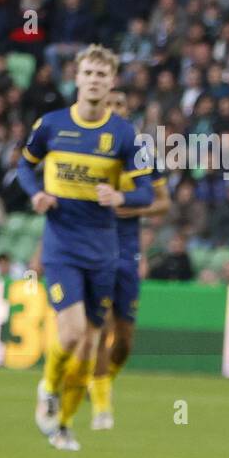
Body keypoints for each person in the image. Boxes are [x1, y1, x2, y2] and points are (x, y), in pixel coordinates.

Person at [17, 45, 154, 450]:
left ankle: (61, 424)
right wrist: (36, 193)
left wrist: (121, 198)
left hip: (104, 249)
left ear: (112, 82)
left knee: (91, 344)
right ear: (76, 78)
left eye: (102, 74)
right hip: (61, 245)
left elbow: (146, 190)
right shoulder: (51, 125)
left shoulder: (125, 135)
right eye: (88, 73)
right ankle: (47, 386)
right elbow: (25, 164)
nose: (94, 80)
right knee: (73, 332)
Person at [85, 88, 171, 430]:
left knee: (124, 341)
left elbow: (164, 203)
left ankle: (101, 380)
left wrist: (129, 205)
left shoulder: (141, 151)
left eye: (121, 104)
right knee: (101, 324)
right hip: (95, 245)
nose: (116, 109)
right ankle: (102, 408)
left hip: (128, 249)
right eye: (109, 104)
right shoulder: (86, 149)